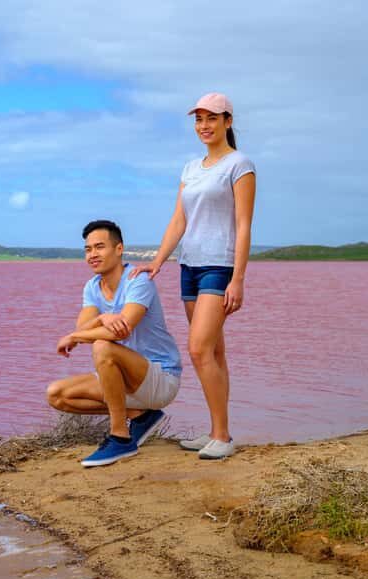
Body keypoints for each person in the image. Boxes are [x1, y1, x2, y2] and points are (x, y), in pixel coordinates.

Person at [131, 92, 256, 459]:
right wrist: (158, 261)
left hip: (220, 265)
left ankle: (223, 438)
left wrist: (239, 279)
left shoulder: (240, 164)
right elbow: (179, 220)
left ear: (228, 122)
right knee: (214, 351)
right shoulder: (190, 168)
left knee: (199, 349)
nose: (204, 125)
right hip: (190, 266)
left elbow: (244, 225)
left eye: (212, 118)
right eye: (199, 119)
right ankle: (218, 431)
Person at [47, 220, 182, 467]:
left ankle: (120, 437)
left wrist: (77, 337)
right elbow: (83, 328)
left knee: (102, 346)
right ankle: (139, 417)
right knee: (57, 395)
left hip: (160, 377)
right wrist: (100, 318)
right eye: (88, 249)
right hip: (125, 381)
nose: (92, 255)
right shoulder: (92, 287)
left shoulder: (138, 280)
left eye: (100, 247)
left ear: (119, 249)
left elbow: (119, 332)